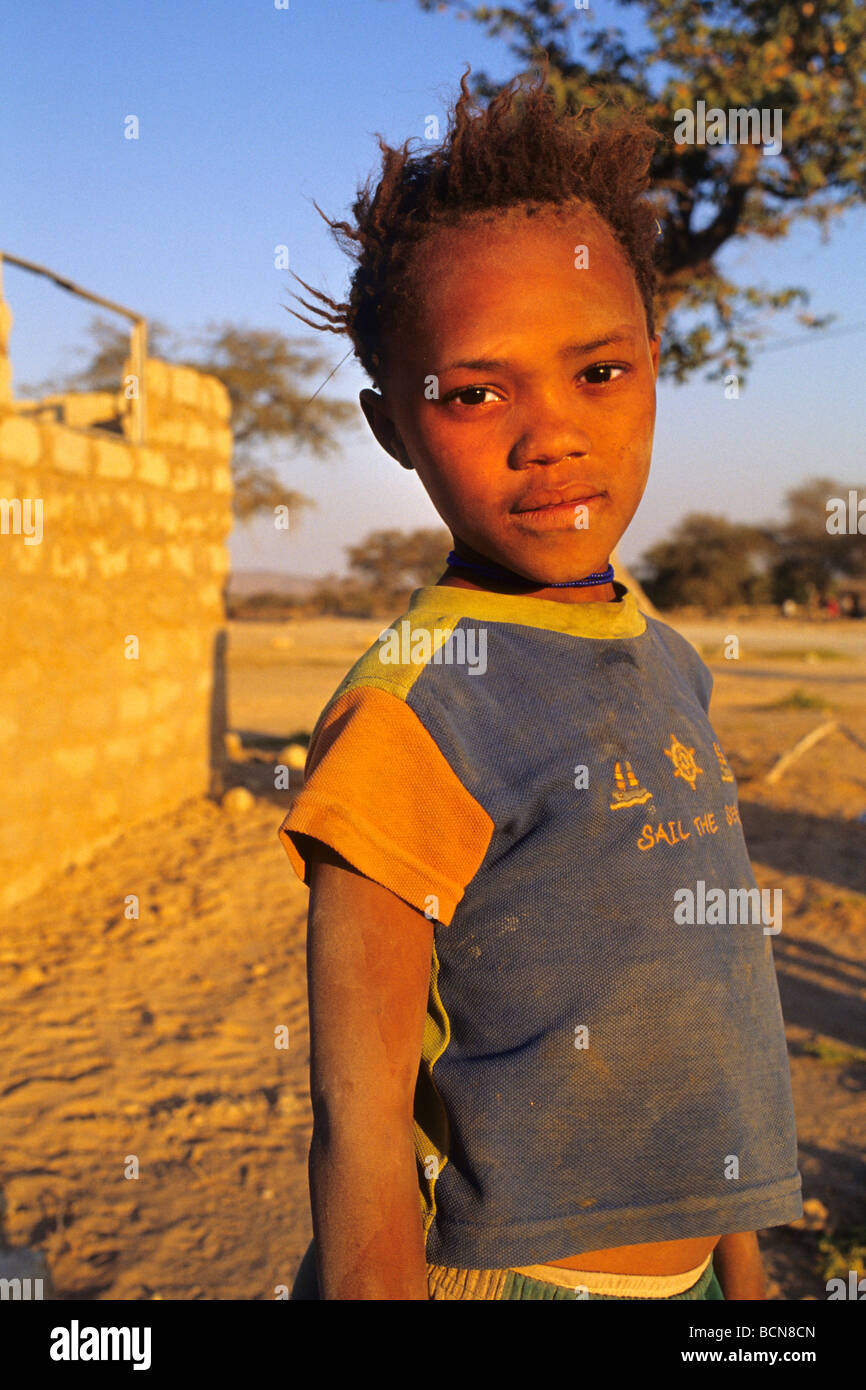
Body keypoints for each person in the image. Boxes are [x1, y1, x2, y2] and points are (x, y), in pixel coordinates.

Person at [276, 62, 803, 1301]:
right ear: (392, 428)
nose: (551, 433)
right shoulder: (417, 713)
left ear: (655, 366)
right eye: (473, 393)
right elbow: (357, 1131)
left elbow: (708, 1012)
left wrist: (746, 1276)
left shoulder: (661, 654)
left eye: (598, 372)